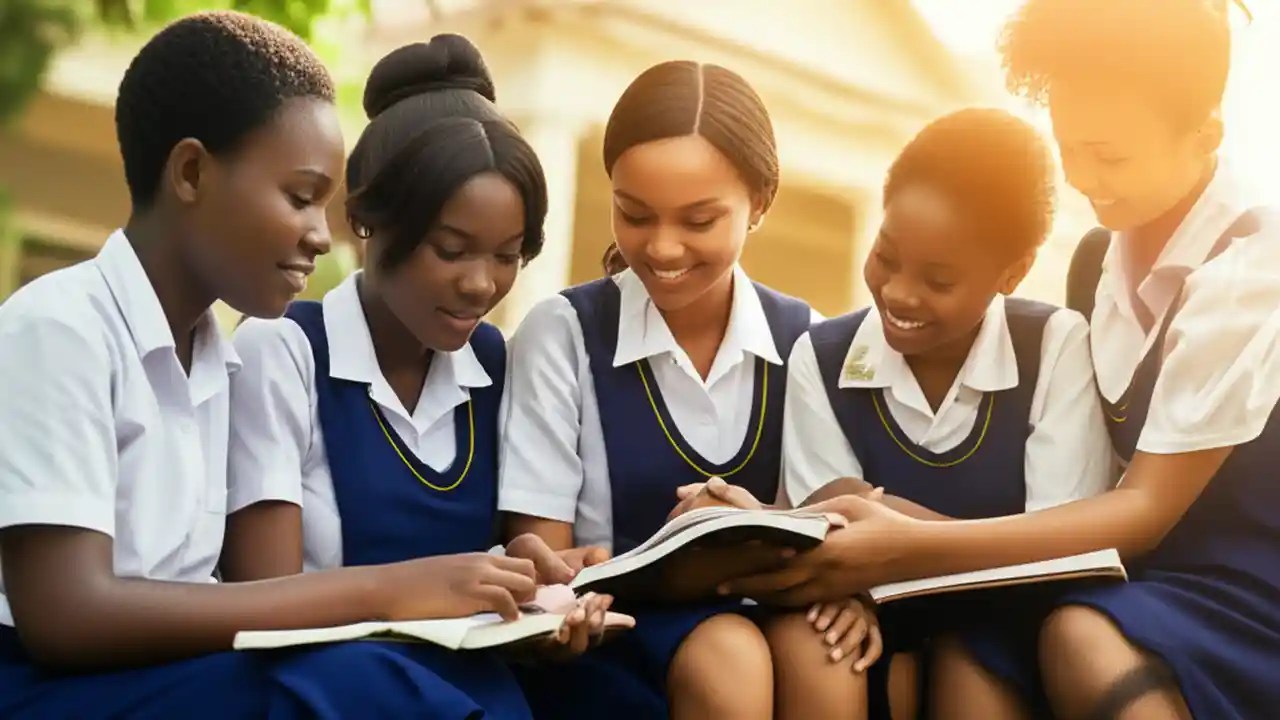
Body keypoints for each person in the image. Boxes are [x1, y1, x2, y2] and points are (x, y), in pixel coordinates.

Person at [720, 2, 1280, 719]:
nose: (1083, 176)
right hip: (1123, 580)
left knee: (1078, 637)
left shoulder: (1247, 270)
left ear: (1206, 135)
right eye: (1069, 146)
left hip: (1237, 587)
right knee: (977, 647)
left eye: (1109, 156)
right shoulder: (1100, 260)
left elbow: (1143, 509)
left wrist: (901, 541)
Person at [0, 13, 541, 719]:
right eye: (300, 197)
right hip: (50, 690)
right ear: (191, 172)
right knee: (361, 687)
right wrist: (389, 591)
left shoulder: (214, 361)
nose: (323, 235)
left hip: (177, 678)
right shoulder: (61, 329)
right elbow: (66, 616)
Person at [224, 34, 611, 718]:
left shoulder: (495, 363)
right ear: (370, 222)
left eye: (508, 255)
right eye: (451, 250)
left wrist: (524, 575)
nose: (480, 284)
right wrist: (425, 585)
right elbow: (266, 602)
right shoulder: (284, 352)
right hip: (338, 692)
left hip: (473, 686)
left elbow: (474, 588)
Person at [765, 107, 1114, 720]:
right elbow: (828, 547)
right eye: (886, 255)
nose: (899, 292)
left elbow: (1061, 554)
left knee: (971, 667)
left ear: (1013, 272)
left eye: (939, 279)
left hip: (1014, 628)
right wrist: (867, 564)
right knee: (826, 650)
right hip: (875, 622)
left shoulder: (1054, 346)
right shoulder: (819, 359)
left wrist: (886, 520)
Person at [498, 60, 814, 719]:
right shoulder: (566, 332)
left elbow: (825, 532)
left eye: (698, 221)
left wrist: (751, 523)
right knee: (729, 653)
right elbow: (549, 563)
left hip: (771, 622)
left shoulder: (805, 342)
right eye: (635, 215)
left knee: (824, 650)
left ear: (760, 203)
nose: (662, 249)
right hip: (610, 640)